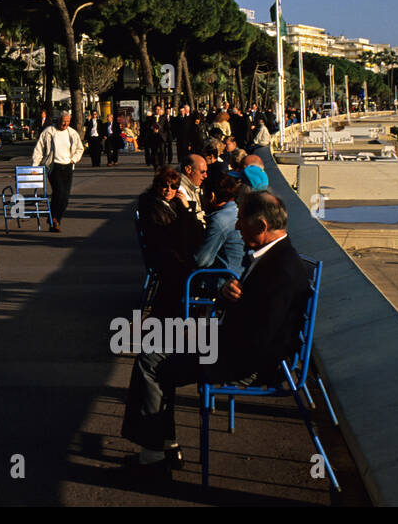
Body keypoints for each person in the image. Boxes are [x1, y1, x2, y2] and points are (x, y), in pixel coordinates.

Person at [121, 191, 312, 472]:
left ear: (261, 226)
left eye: (240, 221)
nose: (236, 227)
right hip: (238, 346)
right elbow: (250, 316)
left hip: (247, 362)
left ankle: (156, 454)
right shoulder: (275, 257)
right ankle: (161, 447)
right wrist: (224, 297)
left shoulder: (280, 270)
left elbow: (258, 340)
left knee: (152, 360)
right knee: (157, 349)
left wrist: (205, 337)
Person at [136, 166, 202, 318]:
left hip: (172, 250)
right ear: (157, 185)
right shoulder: (152, 204)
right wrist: (187, 210)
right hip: (163, 253)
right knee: (191, 268)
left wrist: (186, 205)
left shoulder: (174, 203)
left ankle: (176, 314)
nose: (169, 190)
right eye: (165, 185)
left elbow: (194, 230)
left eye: (174, 187)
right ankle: (173, 316)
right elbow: (170, 232)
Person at [31, 111, 84, 232]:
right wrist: (35, 166)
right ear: (58, 120)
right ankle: (53, 219)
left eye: (68, 122)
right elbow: (39, 149)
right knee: (59, 191)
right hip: (54, 166)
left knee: (64, 197)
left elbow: (80, 149)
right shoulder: (49, 131)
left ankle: (55, 219)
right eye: (63, 121)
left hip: (68, 166)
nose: (65, 124)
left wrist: (73, 160)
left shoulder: (72, 133)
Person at [192, 170, 245, 271]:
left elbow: (202, 260)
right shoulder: (237, 211)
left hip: (222, 280)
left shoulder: (219, 220)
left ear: (212, 196)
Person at [178, 154, 209, 228]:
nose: (205, 175)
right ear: (188, 170)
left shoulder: (193, 186)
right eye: (202, 172)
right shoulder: (181, 190)